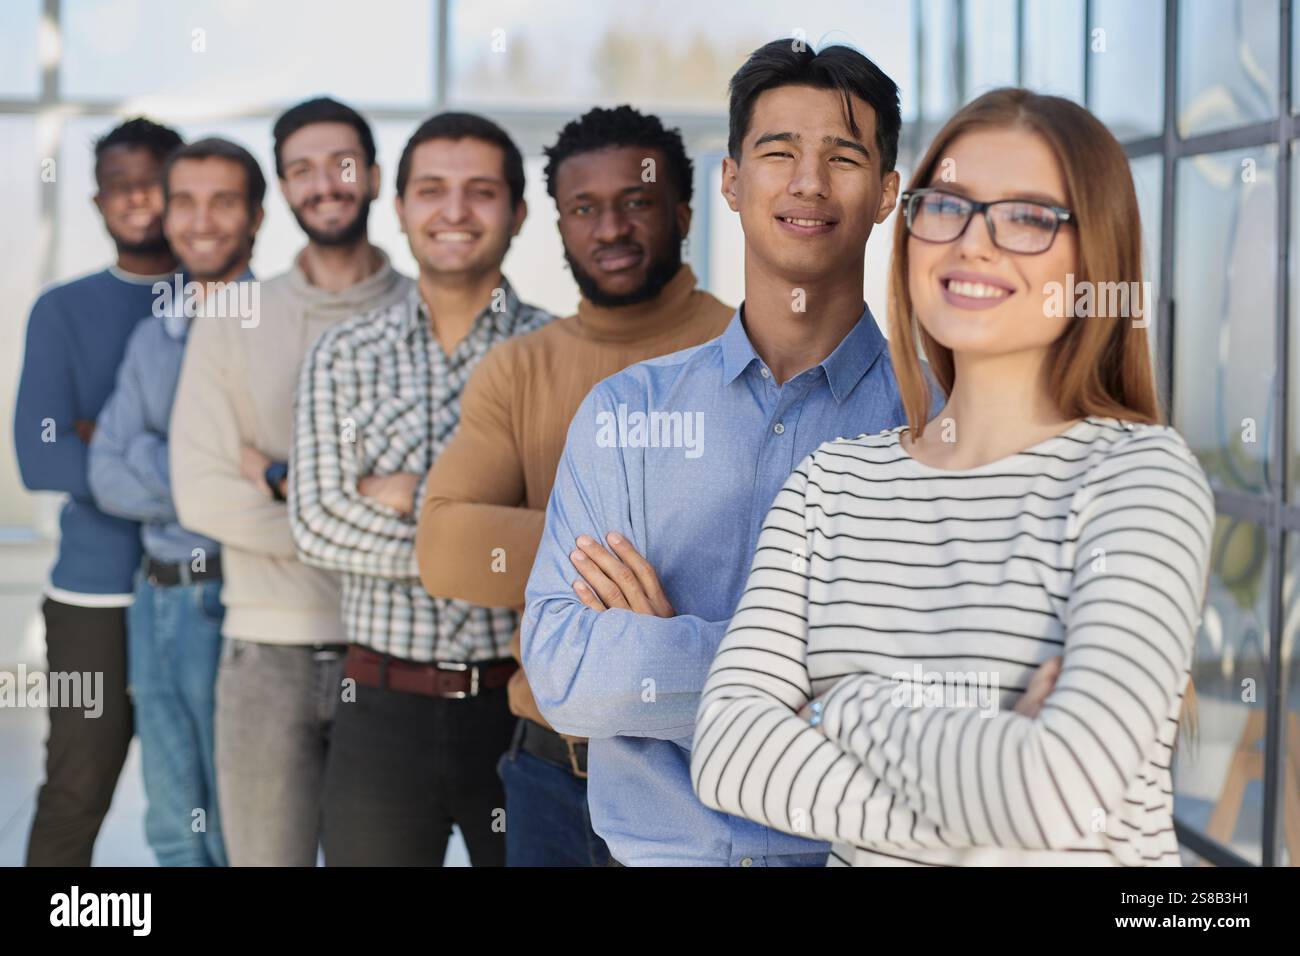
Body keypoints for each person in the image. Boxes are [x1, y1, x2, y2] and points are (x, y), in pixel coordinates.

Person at [692, 88, 1214, 867]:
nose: (975, 243)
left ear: (1093, 259)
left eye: (1030, 217)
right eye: (949, 206)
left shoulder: (1138, 479)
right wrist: (993, 801)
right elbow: (728, 754)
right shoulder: (830, 486)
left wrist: (849, 707)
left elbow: (1062, 789)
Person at [521, 40, 918, 866]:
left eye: (843, 156)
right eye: (779, 153)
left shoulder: (940, 424)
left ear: (886, 194)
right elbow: (566, 674)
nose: (808, 182)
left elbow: (937, 691)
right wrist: (815, 665)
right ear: (733, 180)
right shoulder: (627, 413)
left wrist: (663, 649)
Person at [417, 105, 732, 866]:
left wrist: (547, 542)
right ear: (558, 225)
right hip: (547, 772)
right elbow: (445, 548)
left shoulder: (742, 352)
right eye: (584, 208)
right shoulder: (518, 369)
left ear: (684, 212)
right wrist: (647, 562)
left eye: (637, 202)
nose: (610, 229)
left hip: (700, 770)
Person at [289, 112, 553, 866]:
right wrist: (493, 534)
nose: (455, 212)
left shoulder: (558, 352)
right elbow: (316, 527)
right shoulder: (343, 354)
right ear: (399, 208)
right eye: (431, 190)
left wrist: (410, 496)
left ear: (519, 213)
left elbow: (573, 538)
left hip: (524, 710)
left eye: (481, 192)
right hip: (379, 710)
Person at [170, 98, 413, 866]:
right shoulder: (234, 314)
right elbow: (202, 493)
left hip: (392, 654)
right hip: (262, 657)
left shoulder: (426, 309)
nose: (325, 184)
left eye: (341, 163)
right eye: (302, 169)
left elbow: (442, 501)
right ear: (283, 191)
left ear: (373, 177)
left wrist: (276, 478)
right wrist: (363, 504)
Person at [89, 136, 265, 866]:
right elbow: (105, 472)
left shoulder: (282, 325)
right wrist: (219, 469)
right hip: (151, 599)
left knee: (236, 823)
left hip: (236, 599)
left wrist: (158, 462)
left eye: (223, 201)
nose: (200, 220)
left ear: (256, 217)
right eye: (184, 201)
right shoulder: (150, 336)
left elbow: (288, 482)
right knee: (171, 825)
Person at [15, 117, 183, 867]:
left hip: (203, 594)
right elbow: (39, 457)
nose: (138, 197)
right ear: (96, 199)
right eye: (121, 184)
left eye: (155, 181)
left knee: (202, 797)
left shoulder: (228, 304)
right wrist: (188, 476)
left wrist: (105, 442)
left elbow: (264, 457)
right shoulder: (61, 309)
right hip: (92, 603)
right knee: (75, 790)